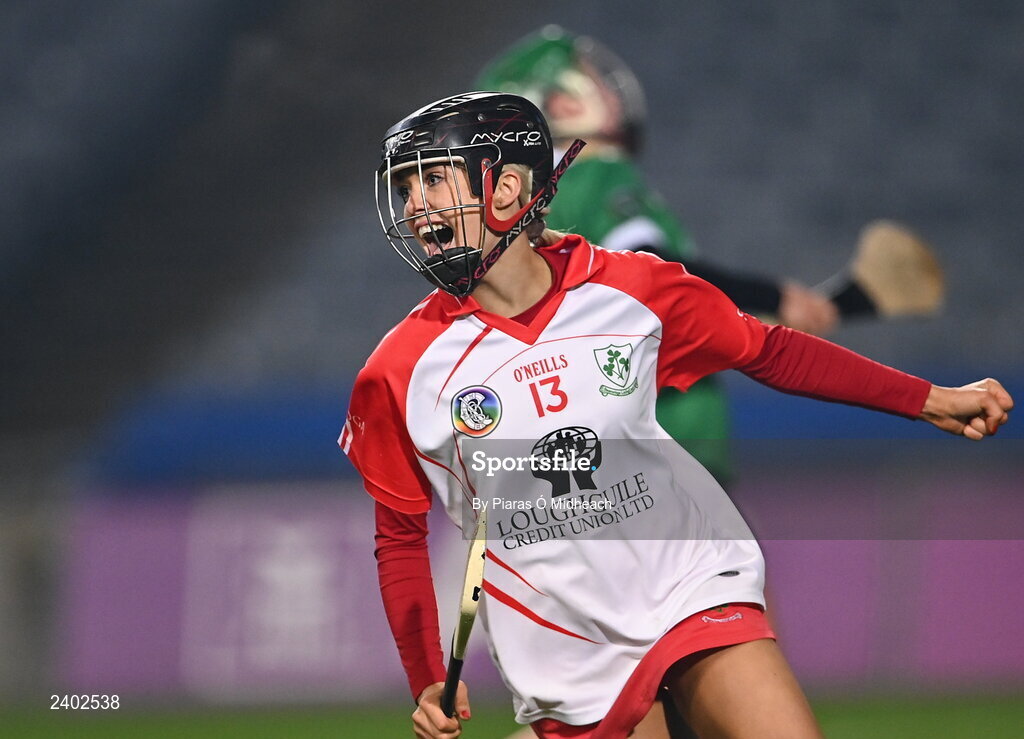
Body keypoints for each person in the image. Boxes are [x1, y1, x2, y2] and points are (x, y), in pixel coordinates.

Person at [341, 91, 1011, 739]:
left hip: (687, 580)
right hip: (564, 641)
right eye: (404, 188)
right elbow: (399, 536)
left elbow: (771, 351)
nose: (413, 206)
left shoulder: (634, 289)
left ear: (508, 189)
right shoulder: (399, 370)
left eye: (432, 180)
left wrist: (929, 399)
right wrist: (426, 678)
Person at [474, 26, 842, 485]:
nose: (611, 91)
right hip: (666, 438)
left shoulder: (514, 207)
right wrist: (775, 297)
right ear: (565, 102)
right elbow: (651, 267)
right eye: (594, 79)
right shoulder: (597, 173)